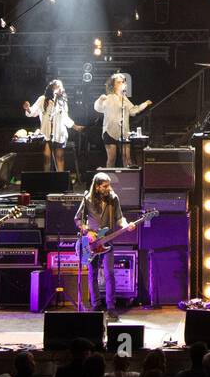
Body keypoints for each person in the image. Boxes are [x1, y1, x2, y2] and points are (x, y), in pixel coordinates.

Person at [74, 172, 128, 319]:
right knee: (92, 274)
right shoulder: (87, 199)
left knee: (110, 273)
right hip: (91, 243)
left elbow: (119, 217)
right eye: (105, 186)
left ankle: (111, 307)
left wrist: (126, 225)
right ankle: (96, 305)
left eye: (109, 185)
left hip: (107, 241)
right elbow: (78, 219)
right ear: (97, 187)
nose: (108, 188)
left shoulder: (113, 199)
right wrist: (86, 230)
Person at [93, 73, 151, 167]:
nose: (122, 84)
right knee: (112, 158)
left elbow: (133, 111)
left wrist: (144, 104)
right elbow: (98, 108)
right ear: (114, 85)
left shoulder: (124, 99)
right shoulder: (109, 97)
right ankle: (109, 179)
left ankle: (128, 180)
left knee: (127, 158)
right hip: (110, 131)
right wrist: (100, 100)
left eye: (123, 82)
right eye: (119, 82)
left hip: (123, 132)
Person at [23, 79, 78, 171]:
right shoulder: (42, 99)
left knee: (59, 157)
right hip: (47, 134)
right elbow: (33, 112)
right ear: (52, 88)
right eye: (57, 86)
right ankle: (47, 178)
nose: (60, 88)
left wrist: (75, 126)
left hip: (59, 133)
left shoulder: (62, 102)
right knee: (47, 156)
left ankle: (61, 179)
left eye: (61, 86)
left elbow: (65, 118)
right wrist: (28, 109)